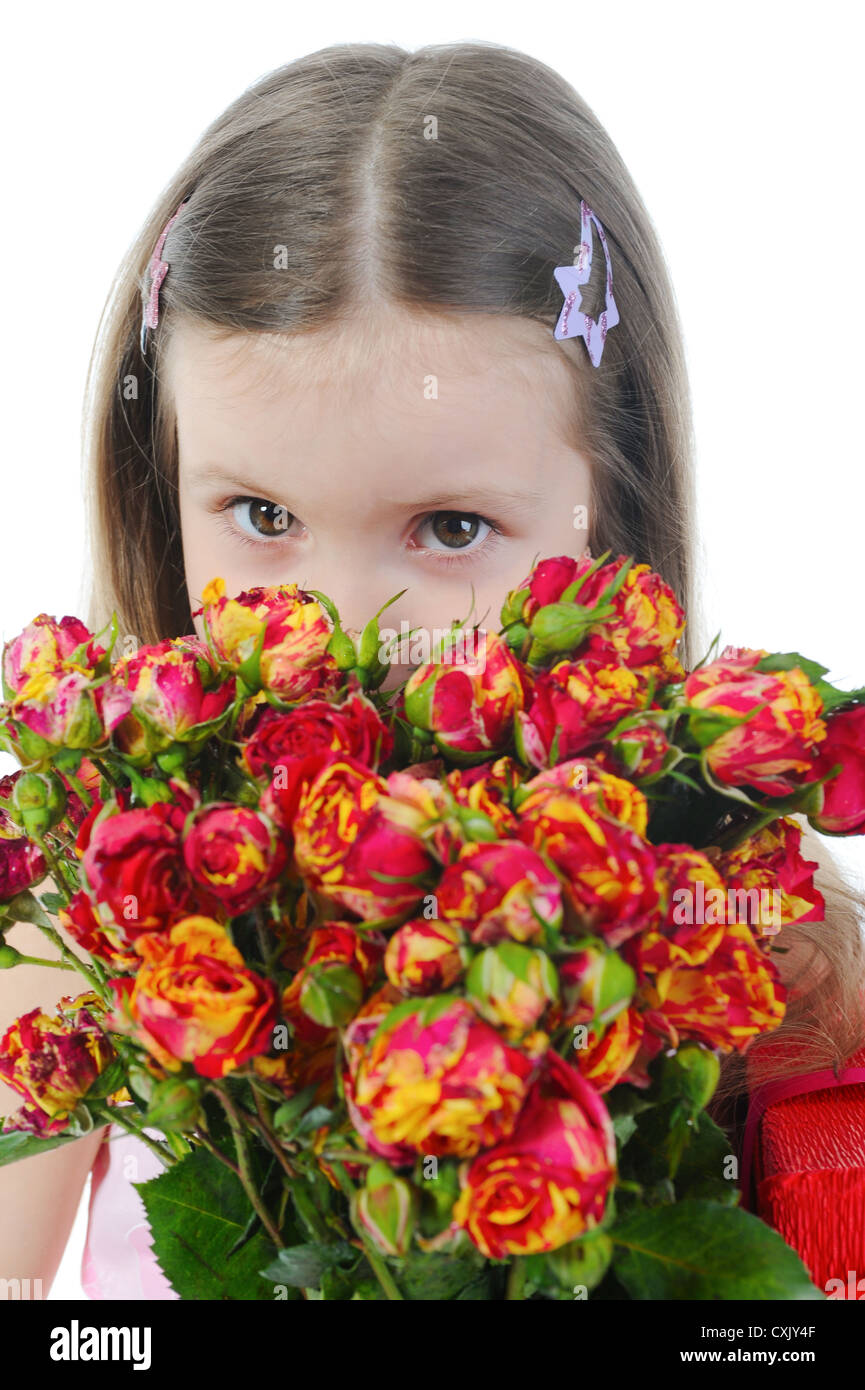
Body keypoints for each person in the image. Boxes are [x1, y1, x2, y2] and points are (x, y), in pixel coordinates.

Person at [2, 40, 863, 1301]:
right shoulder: (76, 949)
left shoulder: (758, 975)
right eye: (258, 513)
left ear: (608, 517)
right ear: (158, 489)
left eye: (450, 529)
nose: (345, 631)